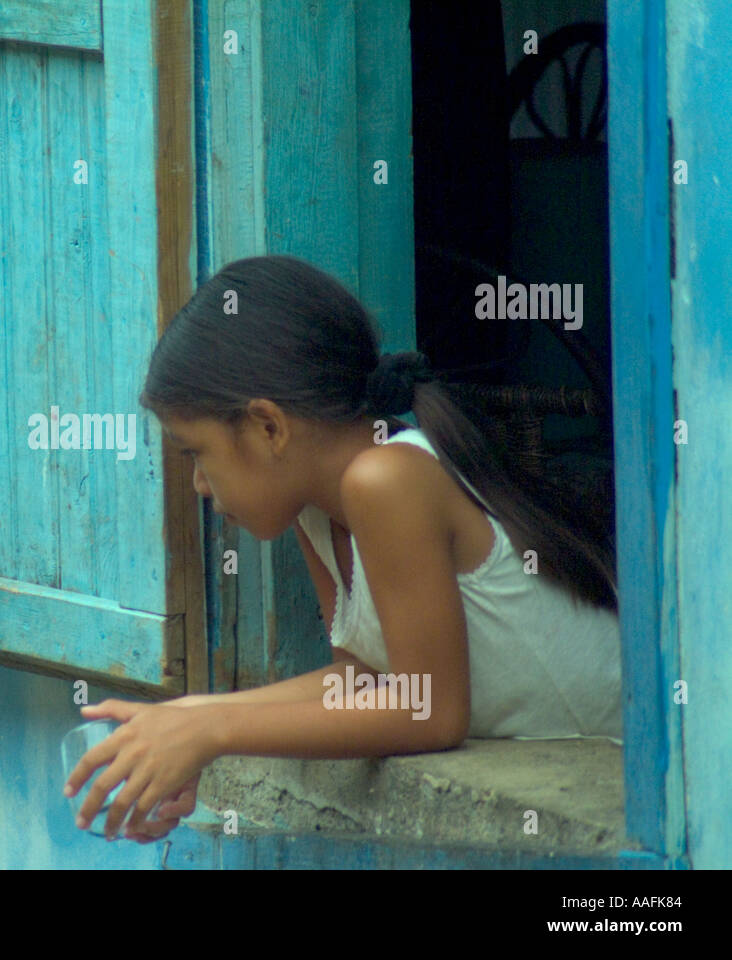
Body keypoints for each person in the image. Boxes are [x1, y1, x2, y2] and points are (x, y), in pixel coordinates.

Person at [63, 254, 622, 843]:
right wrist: (186, 720)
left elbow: (428, 711)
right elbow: (357, 682)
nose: (199, 485)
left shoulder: (386, 480)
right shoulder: (315, 509)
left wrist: (215, 732)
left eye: (196, 453)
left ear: (268, 427)